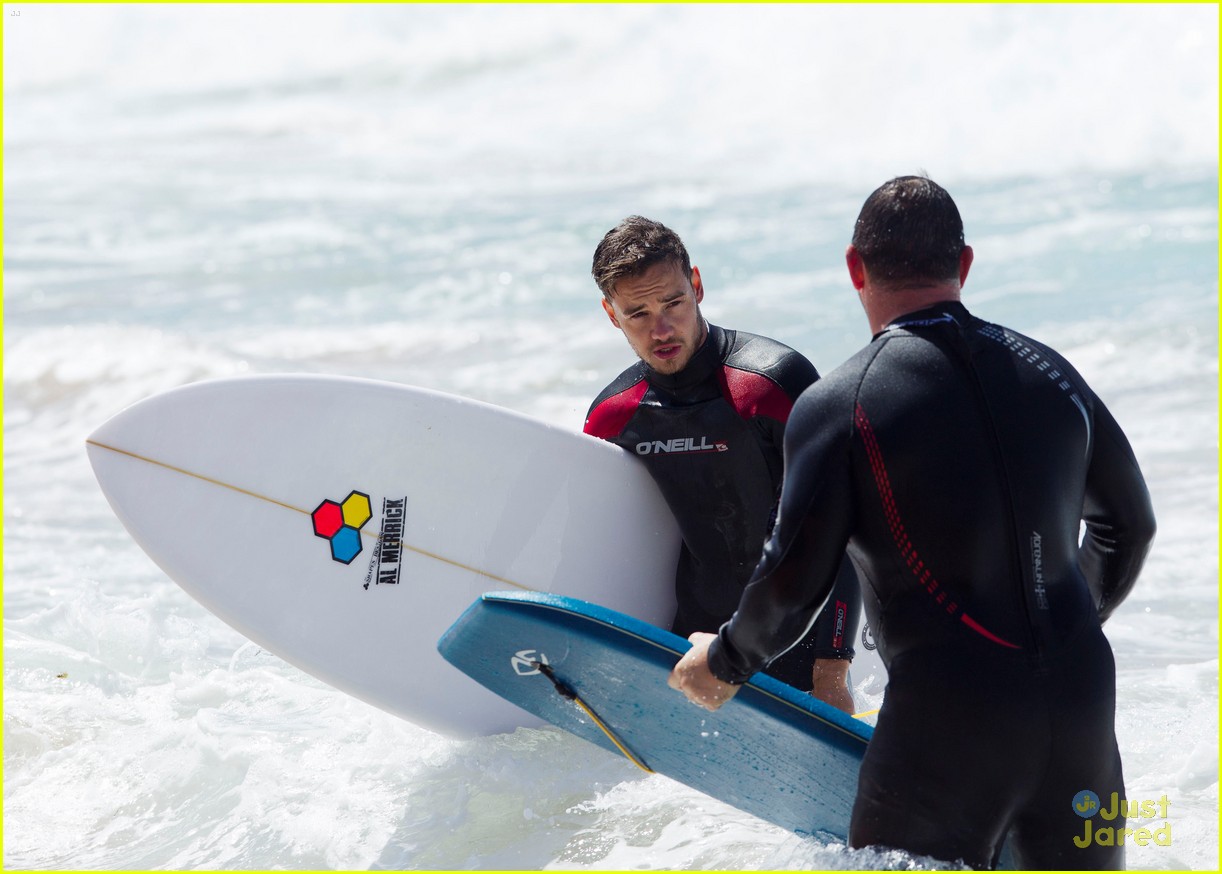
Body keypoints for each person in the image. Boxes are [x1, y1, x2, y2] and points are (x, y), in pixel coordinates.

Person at [668, 176, 1156, 870]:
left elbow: (795, 575)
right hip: (1079, 698)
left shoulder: (843, 402)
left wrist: (725, 660)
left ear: (852, 268)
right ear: (963, 266)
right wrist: (1054, 631)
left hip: (949, 717)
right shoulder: (1053, 374)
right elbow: (1128, 526)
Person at [585, 215, 862, 713]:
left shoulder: (771, 384)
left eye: (673, 302)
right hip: (689, 660)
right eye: (638, 314)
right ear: (611, 313)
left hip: (801, 657)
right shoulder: (613, 418)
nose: (662, 329)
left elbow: (843, 522)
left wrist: (832, 672)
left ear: (696, 284)